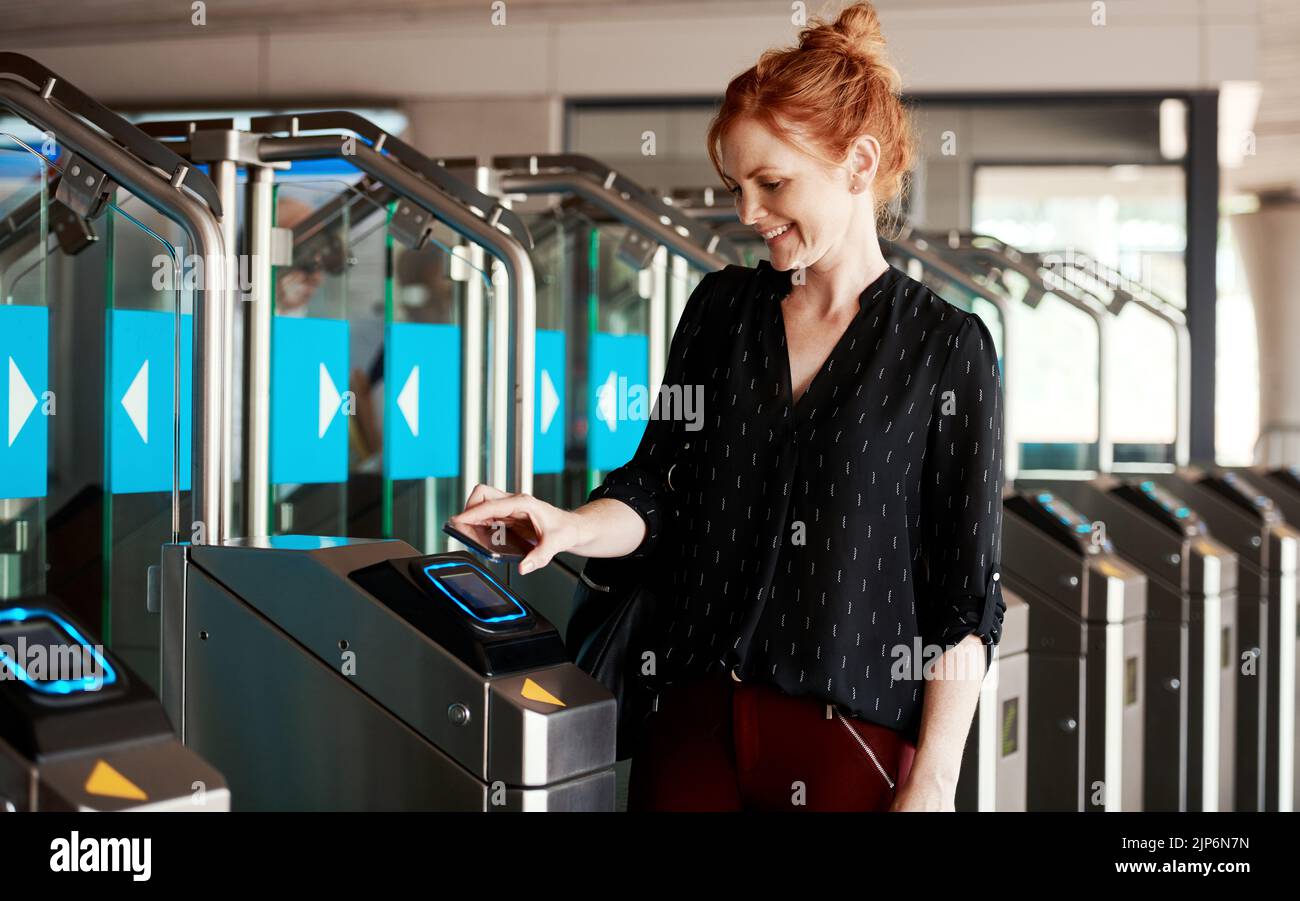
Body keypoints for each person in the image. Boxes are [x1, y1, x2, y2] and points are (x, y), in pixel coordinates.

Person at [450, 0, 1005, 812]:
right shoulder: (721, 312)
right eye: (737, 186)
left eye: (772, 182)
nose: (748, 213)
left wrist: (933, 781)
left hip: (850, 743)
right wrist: (570, 524)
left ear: (858, 164)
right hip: (692, 731)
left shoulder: (947, 348)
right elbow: (654, 489)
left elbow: (967, 601)